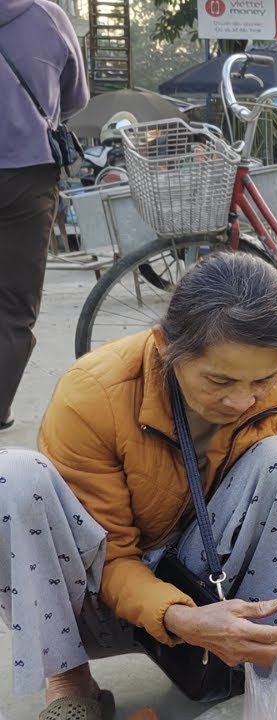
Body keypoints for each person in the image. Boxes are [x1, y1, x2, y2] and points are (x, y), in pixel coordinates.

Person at [0, 253, 277, 720]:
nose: (243, 399)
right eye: (219, 380)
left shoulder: (276, 387)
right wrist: (184, 619)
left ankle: (269, 655)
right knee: (13, 477)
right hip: (99, 603)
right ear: (167, 345)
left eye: (262, 379)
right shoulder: (94, 394)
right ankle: (68, 681)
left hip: (210, 583)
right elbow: (114, 558)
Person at [0, 0, 88, 432]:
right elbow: (76, 97)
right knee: (15, 304)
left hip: (28, 172)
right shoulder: (47, 15)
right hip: (28, 176)